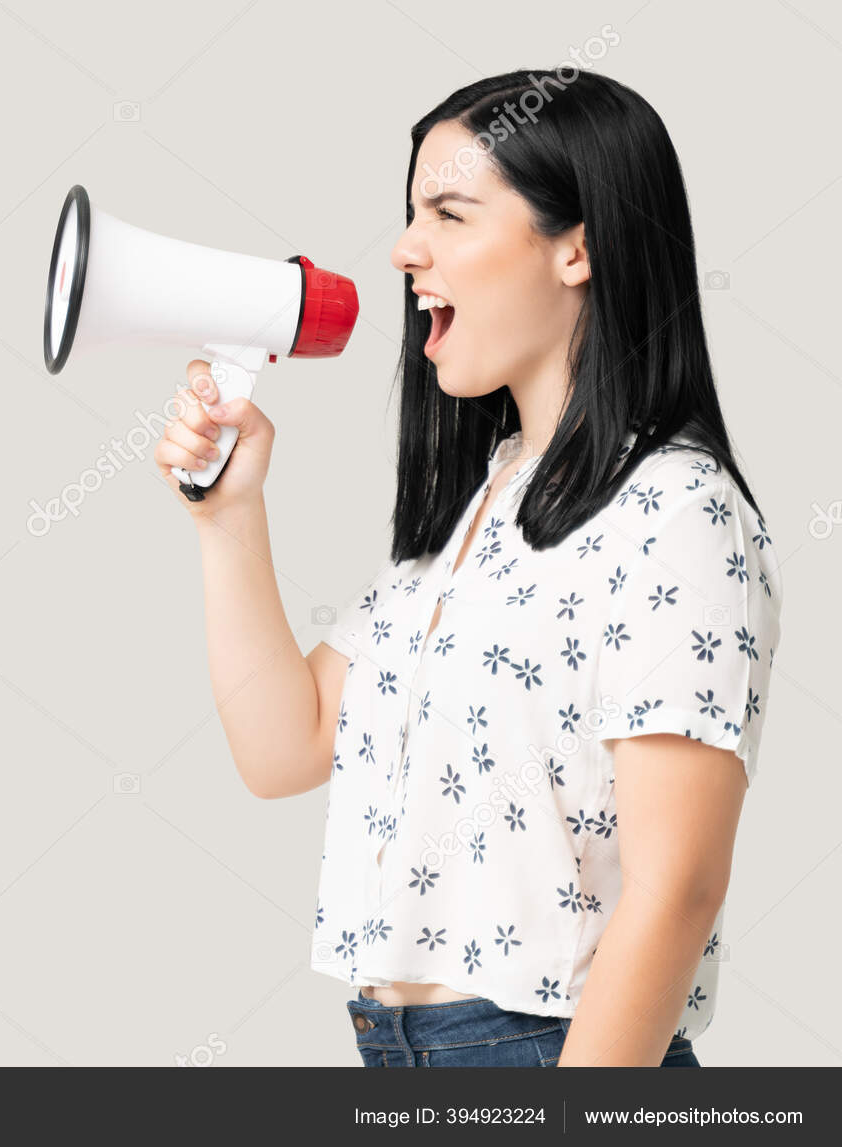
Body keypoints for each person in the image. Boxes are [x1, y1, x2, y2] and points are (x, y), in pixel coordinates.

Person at [153, 69, 780, 1068]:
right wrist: (229, 514)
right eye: (410, 214)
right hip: (401, 1052)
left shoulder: (675, 513)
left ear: (577, 247)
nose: (405, 250)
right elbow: (285, 746)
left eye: (448, 213)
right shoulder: (482, 503)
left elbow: (677, 889)